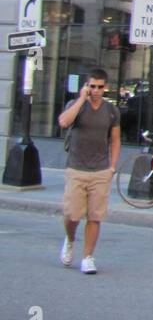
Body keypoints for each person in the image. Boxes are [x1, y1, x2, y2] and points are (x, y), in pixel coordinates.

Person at [57, 68, 121, 275]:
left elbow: (115, 139)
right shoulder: (76, 106)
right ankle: (70, 239)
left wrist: (112, 166)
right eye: (92, 86)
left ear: (105, 88)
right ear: (87, 86)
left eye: (99, 87)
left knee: (95, 216)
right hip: (76, 168)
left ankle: (88, 257)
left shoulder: (111, 111)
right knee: (72, 215)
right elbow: (64, 122)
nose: (95, 90)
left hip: (100, 170)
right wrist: (80, 99)